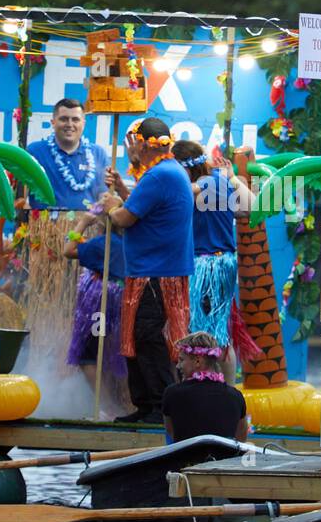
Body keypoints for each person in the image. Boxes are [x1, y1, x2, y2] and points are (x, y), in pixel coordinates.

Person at [98, 117, 194, 423]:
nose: (129, 149)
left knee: (148, 337)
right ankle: (146, 406)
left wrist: (111, 206)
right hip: (154, 271)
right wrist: (123, 189)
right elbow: (142, 207)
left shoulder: (158, 176)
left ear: (142, 143)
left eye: (132, 143)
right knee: (140, 337)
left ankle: (157, 407)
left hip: (155, 274)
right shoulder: (165, 172)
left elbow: (126, 219)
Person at [171, 140, 261, 381]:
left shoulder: (204, 184)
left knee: (205, 335)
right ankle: (226, 393)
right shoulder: (220, 183)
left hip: (207, 268)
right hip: (220, 265)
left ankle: (216, 393)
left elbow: (253, 208)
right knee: (220, 334)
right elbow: (250, 209)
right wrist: (231, 179)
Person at [61, 210, 129, 407]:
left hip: (101, 302)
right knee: (115, 355)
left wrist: (82, 223)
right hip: (122, 301)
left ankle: (106, 407)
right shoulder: (130, 244)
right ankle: (126, 405)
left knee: (89, 357)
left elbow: (68, 250)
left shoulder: (102, 243)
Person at [161, 331, 250, 444]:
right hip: (224, 460)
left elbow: (171, 433)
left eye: (181, 360)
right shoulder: (236, 396)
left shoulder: (172, 393)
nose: (178, 366)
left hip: (187, 459)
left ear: (198, 361)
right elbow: (241, 439)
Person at [27, 98, 111, 210]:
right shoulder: (35, 151)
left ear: (83, 124)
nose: (70, 124)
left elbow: (103, 195)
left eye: (75, 120)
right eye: (64, 119)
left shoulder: (98, 153)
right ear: (53, 122)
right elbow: (20, 192)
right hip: (44, 225)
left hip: (88, 225)